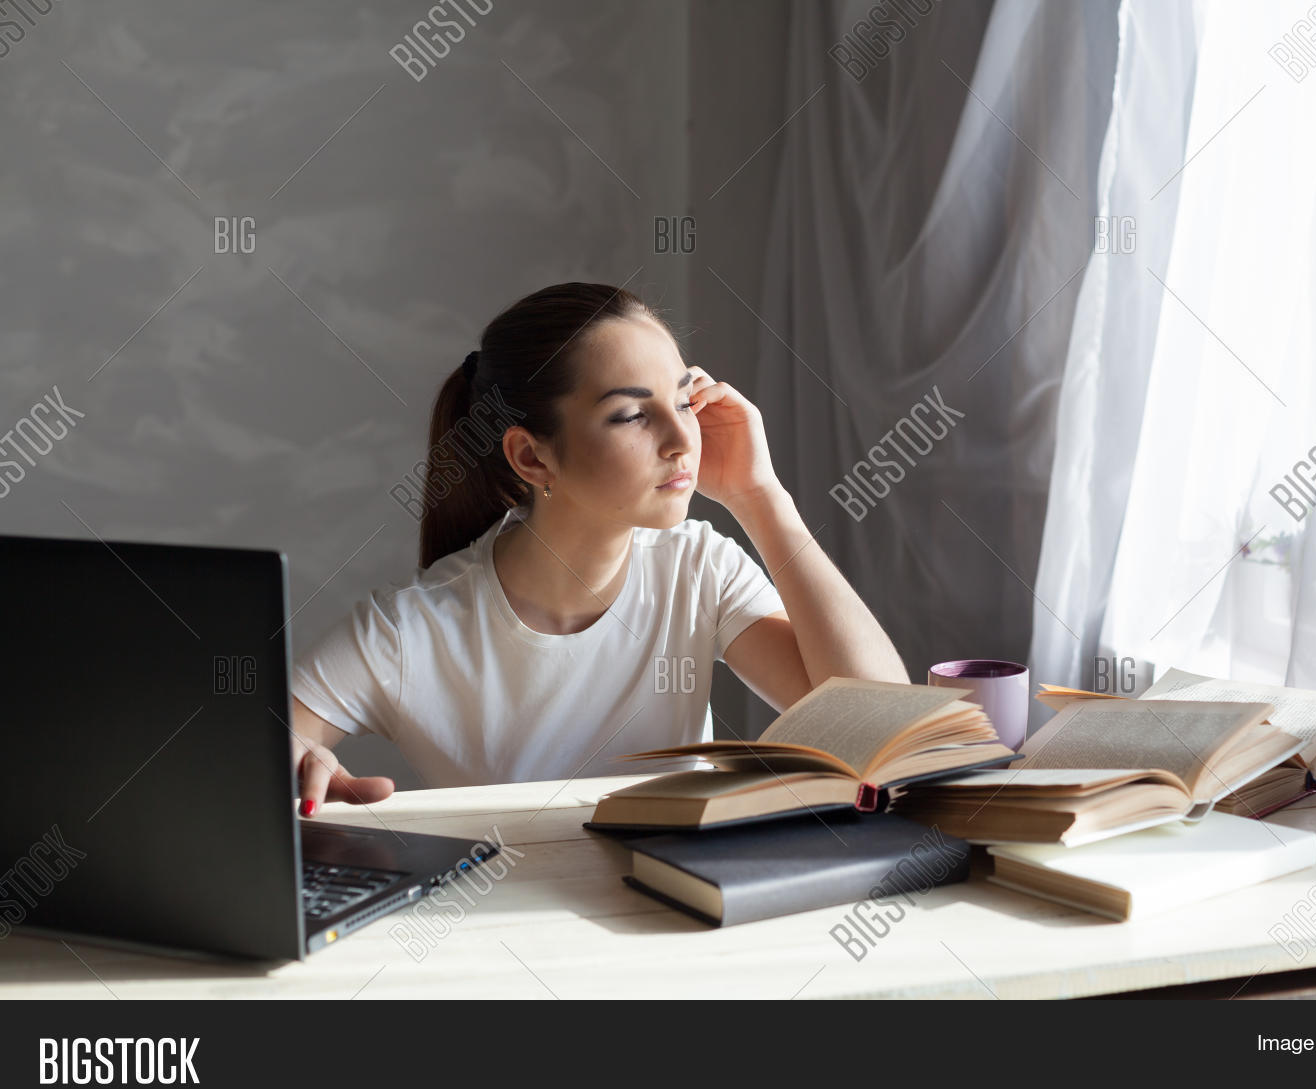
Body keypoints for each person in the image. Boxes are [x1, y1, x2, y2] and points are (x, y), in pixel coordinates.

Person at [289, 282, 908, 815]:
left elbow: (880, 732)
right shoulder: (410, 629)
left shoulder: (698, 567)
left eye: (685, 401)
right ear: (532, 456)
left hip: (681, 908)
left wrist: (760, 496)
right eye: (632, 415)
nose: (681, 439)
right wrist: (297, 767)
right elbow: (258, 748)